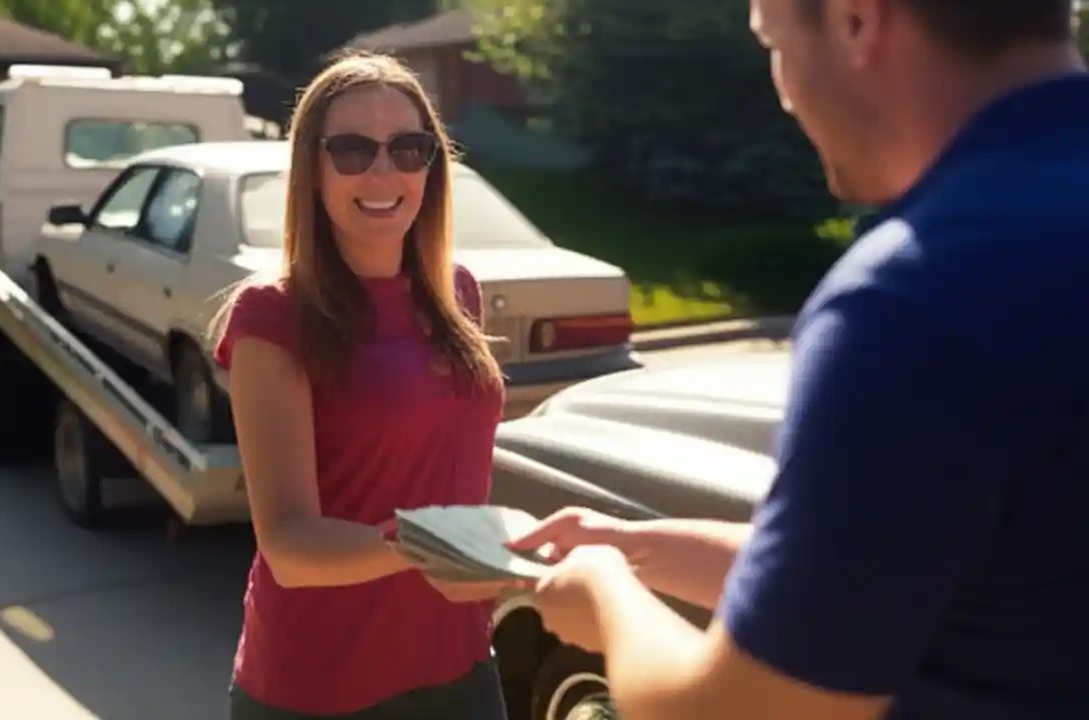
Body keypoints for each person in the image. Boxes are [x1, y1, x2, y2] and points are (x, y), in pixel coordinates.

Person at [512, 1, 1089, 718]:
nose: (783, 93)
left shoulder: (918, 299)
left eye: (774, 44)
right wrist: (631, 545)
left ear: (856, 21)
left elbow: (733, 713)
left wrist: (602, 593)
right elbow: (918, 567)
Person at [212, 52, 514, 719]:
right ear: (311, 170)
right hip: (322, 684)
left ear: (432, 164)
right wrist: (443, 546)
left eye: (409, 147)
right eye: (352, 150)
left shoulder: (456, 291)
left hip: (461, 662)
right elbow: (289, 545)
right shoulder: (273, 315)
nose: (384, 172)